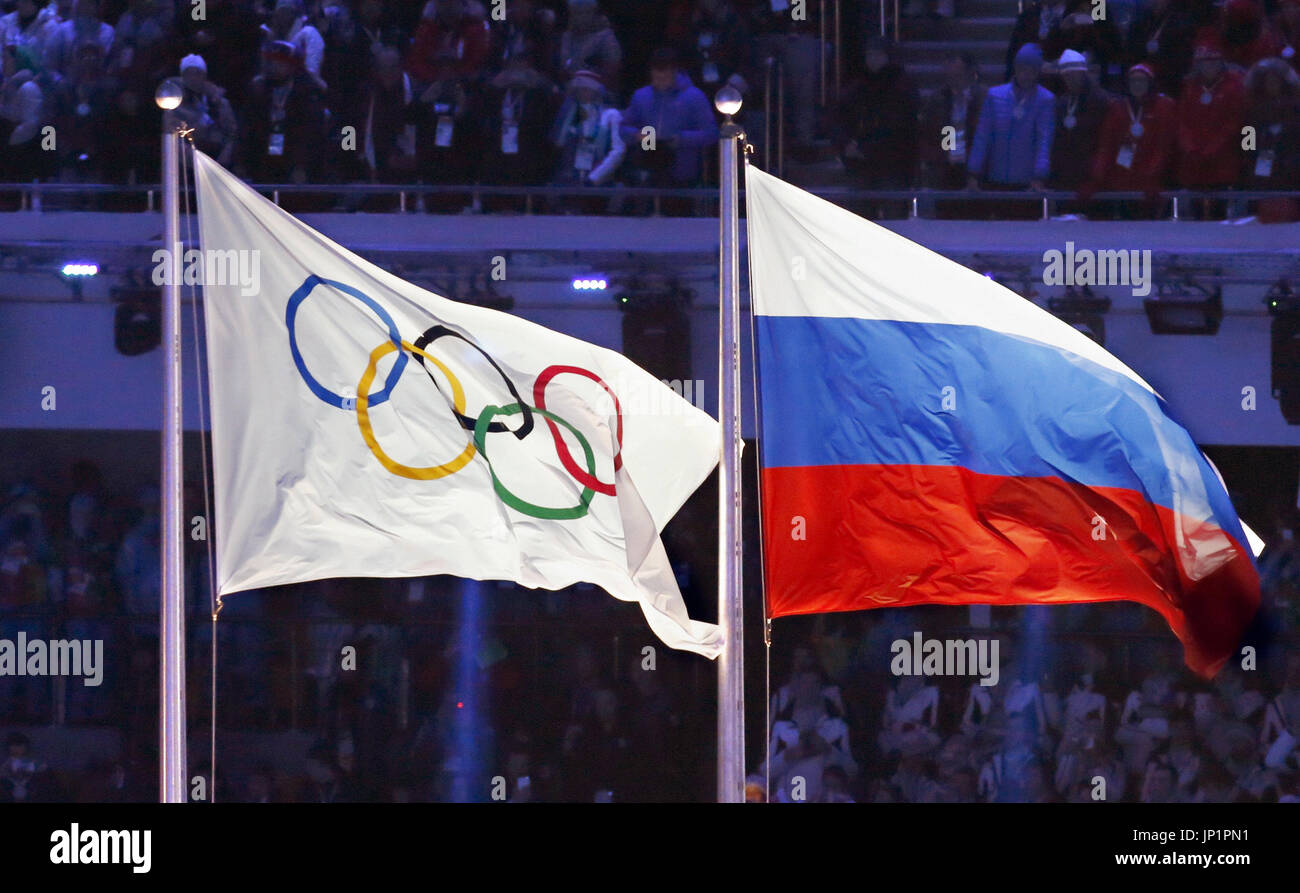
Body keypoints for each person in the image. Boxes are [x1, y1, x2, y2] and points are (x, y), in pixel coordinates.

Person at [968, 42, 1055, 217]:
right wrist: (973, 172)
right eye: (1022, 68)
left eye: (1032, 69)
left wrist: (1039, 176)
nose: (1026, 74)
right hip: (996, 180)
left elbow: (1044, 140)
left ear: (1038, 71)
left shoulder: (1046, 99)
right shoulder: (994, 96)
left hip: (1028, 184)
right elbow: (982, 136)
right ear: (1015, 68)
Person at [833, 36, 918, 216]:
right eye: (870, 55)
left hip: (892, 162)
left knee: (894, 220)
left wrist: (866, 147)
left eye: (878, 55)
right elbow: (839, 118)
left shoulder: (902, 87)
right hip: (859, 163)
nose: (873, 59)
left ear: (888, 57)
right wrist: (846, 143)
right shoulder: (855, 86)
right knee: (860, 220)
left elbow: (901, 126)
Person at [1083, 61, 1177, 218]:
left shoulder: (1164, 107)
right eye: (1133, 80)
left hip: (1153, 185)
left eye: (1142, 80)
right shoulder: (1118, 109)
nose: (1137, 84)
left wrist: (1152, 177)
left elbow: (1164, 147)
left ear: (1150, 83)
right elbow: (1106, 146)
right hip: (1122, 183)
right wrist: (1096, 178)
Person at [618, 47, 717, 189]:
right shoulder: (641, 96)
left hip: (683, 171)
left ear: (675, 72)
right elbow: (623, 129)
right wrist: (636, 135)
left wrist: (680, 138)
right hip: (646, 167)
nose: (660, 81)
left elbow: (711, 133)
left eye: (665, 78)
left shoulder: (694, 97)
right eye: (657, 78)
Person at [242, 39, 328, 185]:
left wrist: (300, 165)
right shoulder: (258, 89)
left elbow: (310, 133)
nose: (273, 67)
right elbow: (247, 126)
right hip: (263, 156)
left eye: (280, 62)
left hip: (295, 156)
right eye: (271, 62)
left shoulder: (307, 92)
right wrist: (242, 161)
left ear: (293, 66)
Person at [1176, 37, 1245, 218]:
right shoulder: (1190, 88)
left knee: (1219, 212)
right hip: (1194, 161)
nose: (1209, 66)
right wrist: (1190, 147)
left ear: (1221, 62)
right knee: (1195, 213)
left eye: (1213, 61)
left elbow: (1234, 122)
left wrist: (1213, 148)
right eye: (1204, 62)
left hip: (1222, 161)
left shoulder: (1234, 87)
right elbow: (1182, 120)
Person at [550, 68, 624, 201]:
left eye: (586, 89)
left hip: (600, 178)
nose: (582, 93)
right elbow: (558, 142)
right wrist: (568, 111)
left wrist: (595, 177)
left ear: (595, 91)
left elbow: (616, 152)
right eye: (579, 89)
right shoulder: (569, 113)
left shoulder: (609, 115)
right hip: (569, 176)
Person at [1242, 56, 1300, 221]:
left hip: (1293, 168)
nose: (1272, 85)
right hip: (1264, 163)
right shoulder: (1254, 111)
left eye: (1275, 81)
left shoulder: (1296, 110)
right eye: (1268, 81)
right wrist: (1252, 157)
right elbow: (1247, 143)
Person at [1050, 49, 1115, 194]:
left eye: (1074, 75)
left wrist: (1097, 175)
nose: (1070, 79)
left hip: (1092, 177)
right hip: (1066, 175)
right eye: (1066, 76)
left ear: (1083, 74)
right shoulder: (1062, 102)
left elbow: (1107, 141)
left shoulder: (1102, 101)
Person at [163, 54, 237, 169]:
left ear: (204, 76)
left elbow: (232, 133)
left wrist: (226, 154)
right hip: (189, 164)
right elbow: (173, 138)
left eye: (198, 73)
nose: (193, 78)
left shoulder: (220, 102)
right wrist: (196, 161)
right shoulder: (174, 106)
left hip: (219, 161)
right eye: (189, 73)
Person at [406, 0, 490, 89]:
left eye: (452, 2)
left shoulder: (475, 28)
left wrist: (453, 76)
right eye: (442, 2)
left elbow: (477, 62)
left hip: (465, 84)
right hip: (430, 83)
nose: (448, 6)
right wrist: (436, 77)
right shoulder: (426, 27)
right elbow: (416, 60)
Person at [558, 0, 620, 90]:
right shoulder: (566, 36)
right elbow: (563, 68)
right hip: (569, 92)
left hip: (598, 94)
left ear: (593, 13)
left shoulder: (606, 38)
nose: (579, 17)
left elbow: (612, 75)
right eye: (575, 13)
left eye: (584, 13)